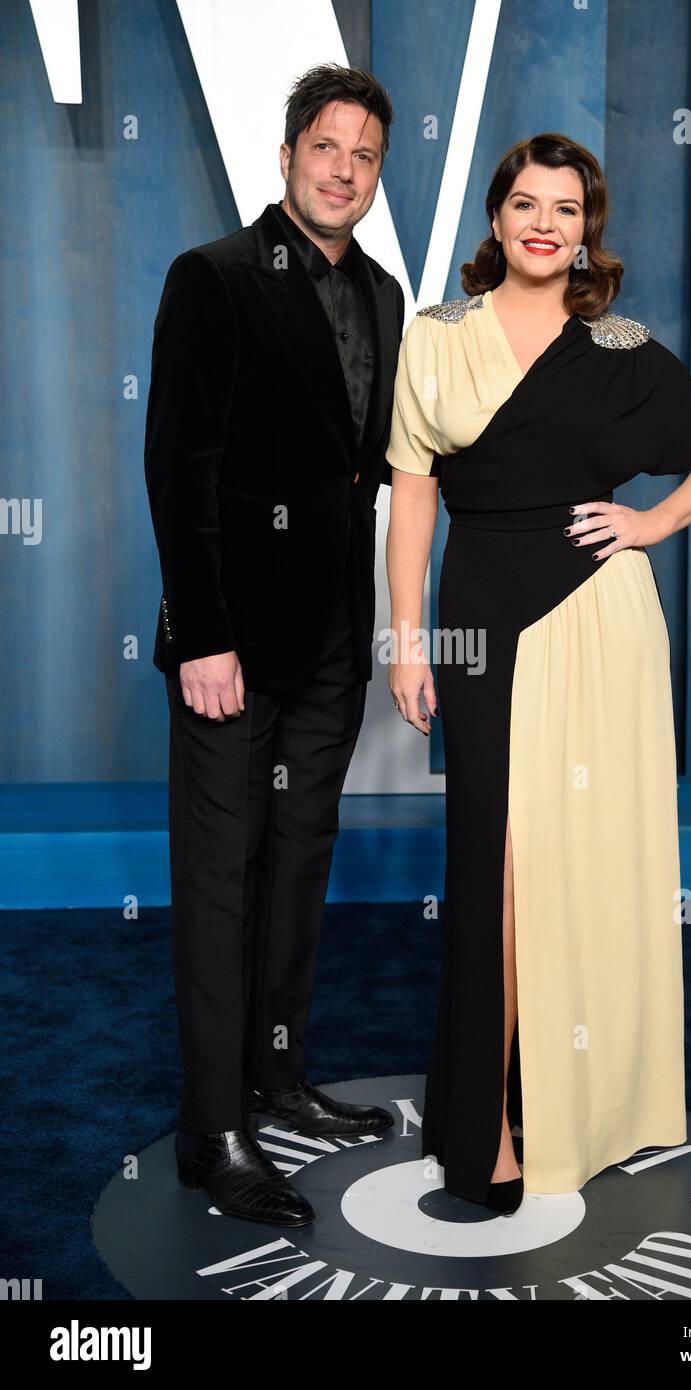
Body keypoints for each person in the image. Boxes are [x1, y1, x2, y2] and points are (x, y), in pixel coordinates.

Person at [384, 133, 691, 1214]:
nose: (545, 224)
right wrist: (406, 638)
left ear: (587, 229)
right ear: (495, 217)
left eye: (567, 208)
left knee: (589, 851)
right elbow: (412, 492)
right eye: (525, 204)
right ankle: (483, 1125)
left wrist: (650, 522)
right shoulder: (435, 337)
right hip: (485, 615)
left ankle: (590, 1100)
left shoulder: (619, 344)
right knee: (495, 861)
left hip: (602, 617)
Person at [144, 64, 404, 1227]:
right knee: (219, 877)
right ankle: (214, 1130)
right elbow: (179, 463)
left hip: (332, 645)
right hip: (232, 647)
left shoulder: (387, 294)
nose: (344, 170)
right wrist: (202, 634)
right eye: (326, 148)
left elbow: (369, 472)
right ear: (288, 154)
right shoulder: (214, 278)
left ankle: (278, 1073)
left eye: (365, 156)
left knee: (298, 868)